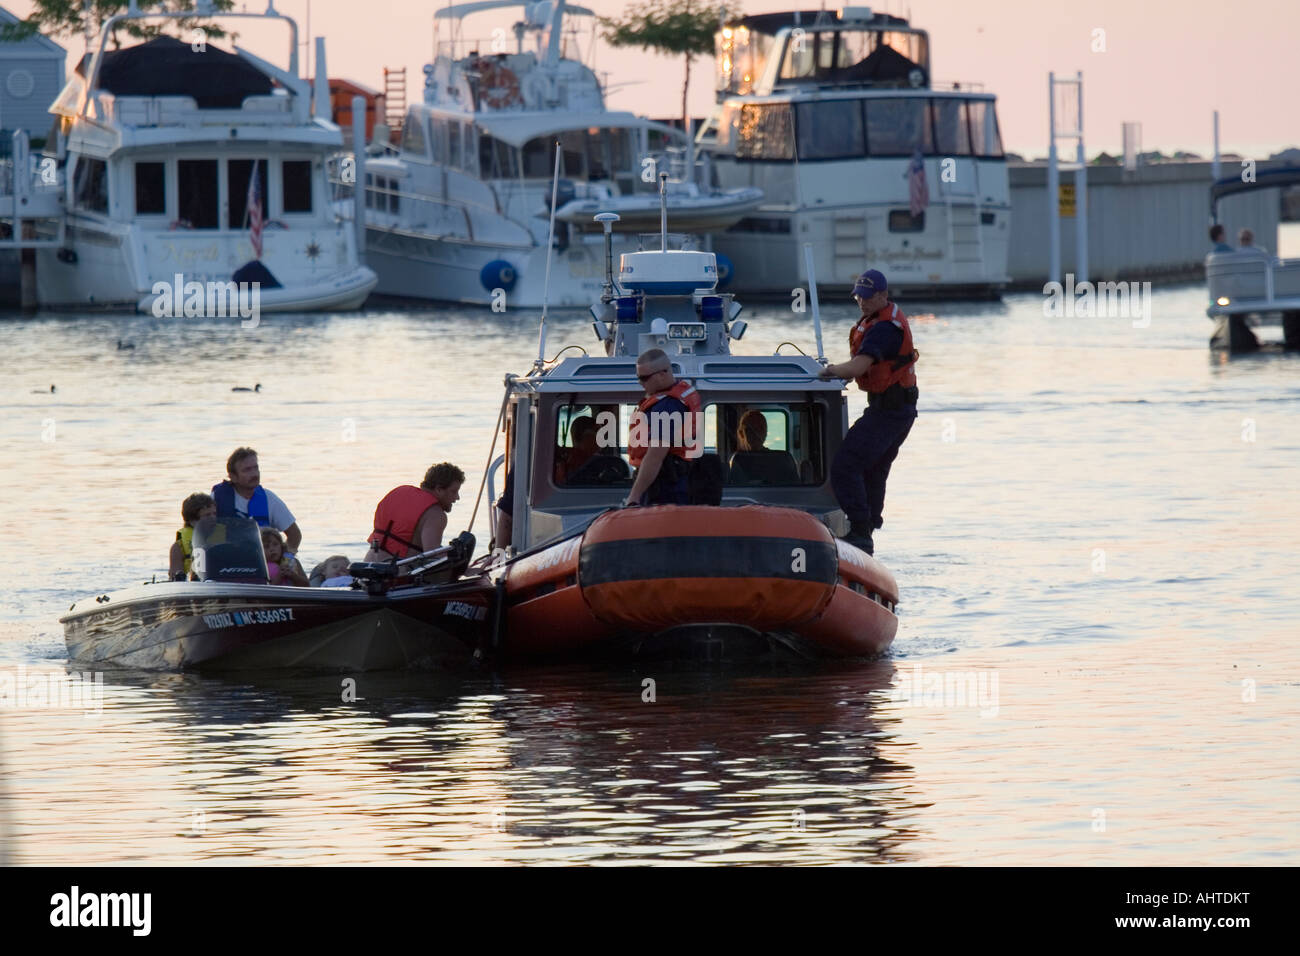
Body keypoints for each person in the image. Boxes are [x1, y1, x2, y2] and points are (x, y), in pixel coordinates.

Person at [817, 269, 918, 555]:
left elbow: (859, 368)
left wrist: (829, 371)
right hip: (893, 410)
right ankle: (868, 528)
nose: (862, 302)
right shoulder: (876, 320)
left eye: (868, 297)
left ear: (883, 296)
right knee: (874, 470)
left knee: (846, 465)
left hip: (891, 412)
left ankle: (861, 531)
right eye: (858, 297)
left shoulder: (886, 329)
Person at [624, 348, 702, 507]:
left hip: (665, 488)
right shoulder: (676, 395)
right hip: (675, 482)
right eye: (638, 378)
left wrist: (633, 497)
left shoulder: (667, 407)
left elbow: (655, 457)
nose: (640, 383)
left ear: (663, 374)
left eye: (644, 378)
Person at [212, 447, 302, 560]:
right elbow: (200, 533)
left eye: (256, 468)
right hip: (226, 563)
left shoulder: (269, 499)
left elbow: (295, 535)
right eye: (247, 470)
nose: (254, 474)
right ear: (233, 477)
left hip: (262, 566)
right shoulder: (217, 499)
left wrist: (286, 559)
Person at [365, 462, 465, 561]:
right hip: (397, 573)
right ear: (439, 489)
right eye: (454, 491)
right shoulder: (435, 514)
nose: (457, 497)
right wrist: (462, 567)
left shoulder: (400, 493)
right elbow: (432, 556)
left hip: (368, 566)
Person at [168, 492, 216, 581]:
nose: (213, 518)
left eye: (214, 514)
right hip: (195, 585)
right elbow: (175, 578)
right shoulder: (178, 547)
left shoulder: (225, 536)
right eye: (207, 515)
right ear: (192, 521)